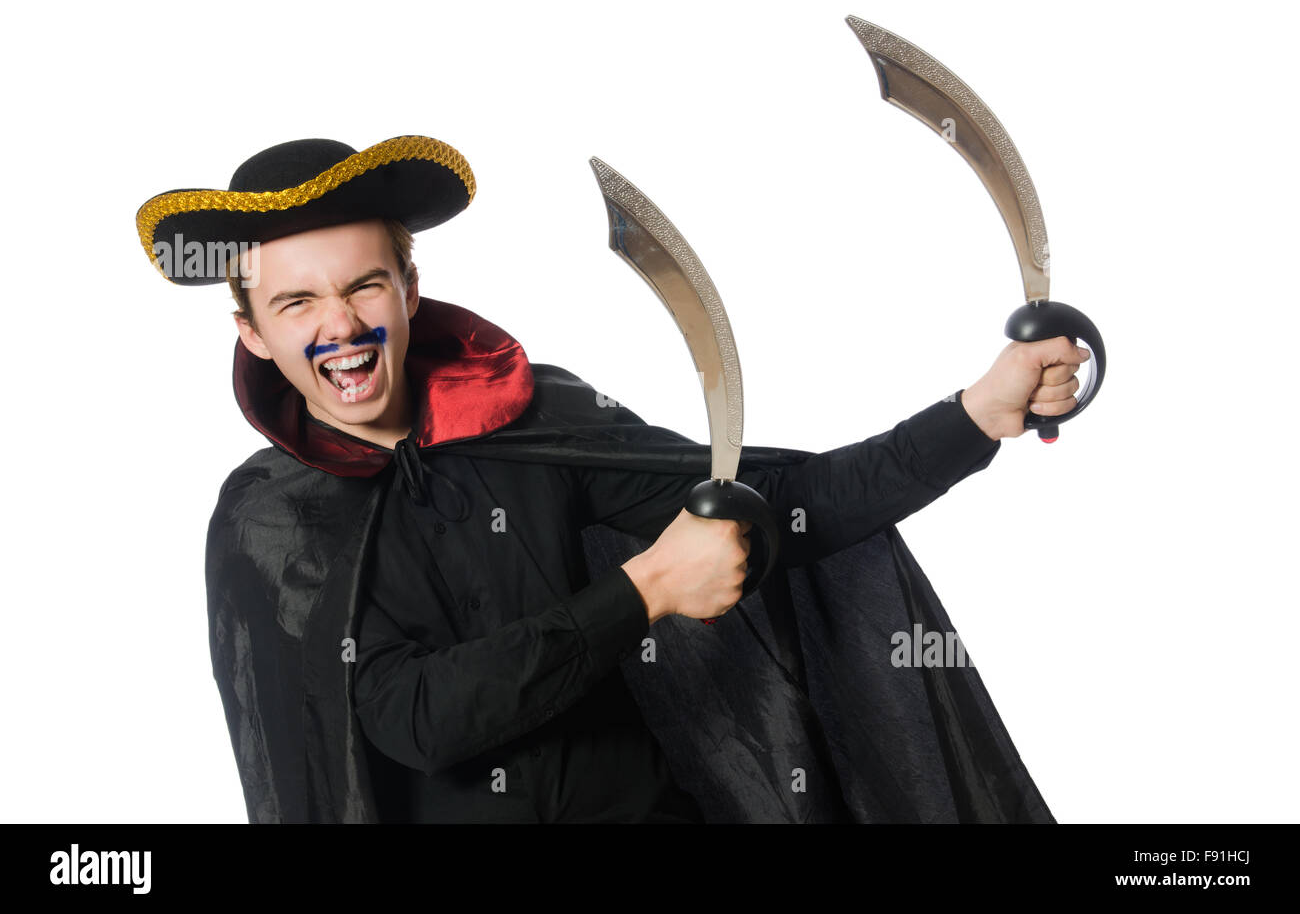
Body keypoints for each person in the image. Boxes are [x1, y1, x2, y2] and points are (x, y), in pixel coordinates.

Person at [137, 135, 1082, 823]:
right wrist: (650, 588)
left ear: (409, 290)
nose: (338, 324)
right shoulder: (271, 524)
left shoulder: (536, 418)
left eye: (362, 286)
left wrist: (974, 416)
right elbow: (418, 717)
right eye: (297, 300)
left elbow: (771, 506)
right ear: (254, 333)